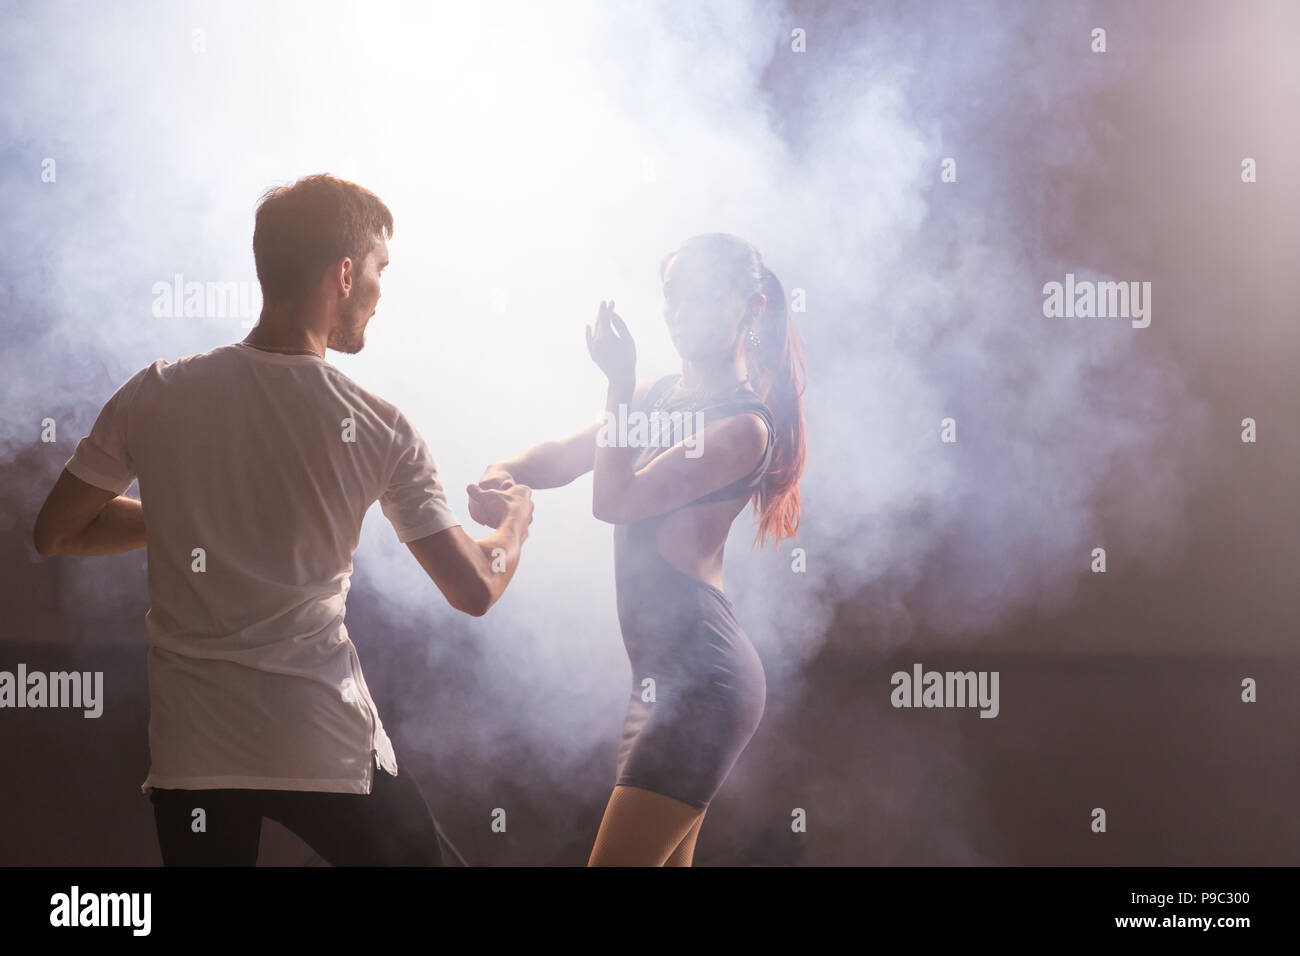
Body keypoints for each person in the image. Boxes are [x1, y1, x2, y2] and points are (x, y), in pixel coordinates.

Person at [32, 173, 534, 866]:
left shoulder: (158, 392)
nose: (382, 294)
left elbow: (56, 532)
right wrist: (516, 523)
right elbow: (476, 588)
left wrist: (196, 512)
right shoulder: (377, 425)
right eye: (381, 272)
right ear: (346, 273)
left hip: (195, 756)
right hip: (321, 744)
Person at [471, 233, 806, 865]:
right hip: (658, 685)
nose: (683, 312)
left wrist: (618, 383)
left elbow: (614, 500)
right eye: (674, 295)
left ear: (751, 309)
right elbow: (563, 457)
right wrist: (501, 470)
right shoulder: (654, 399)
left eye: (705, 294)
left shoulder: (743, 428)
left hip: (706, 683)